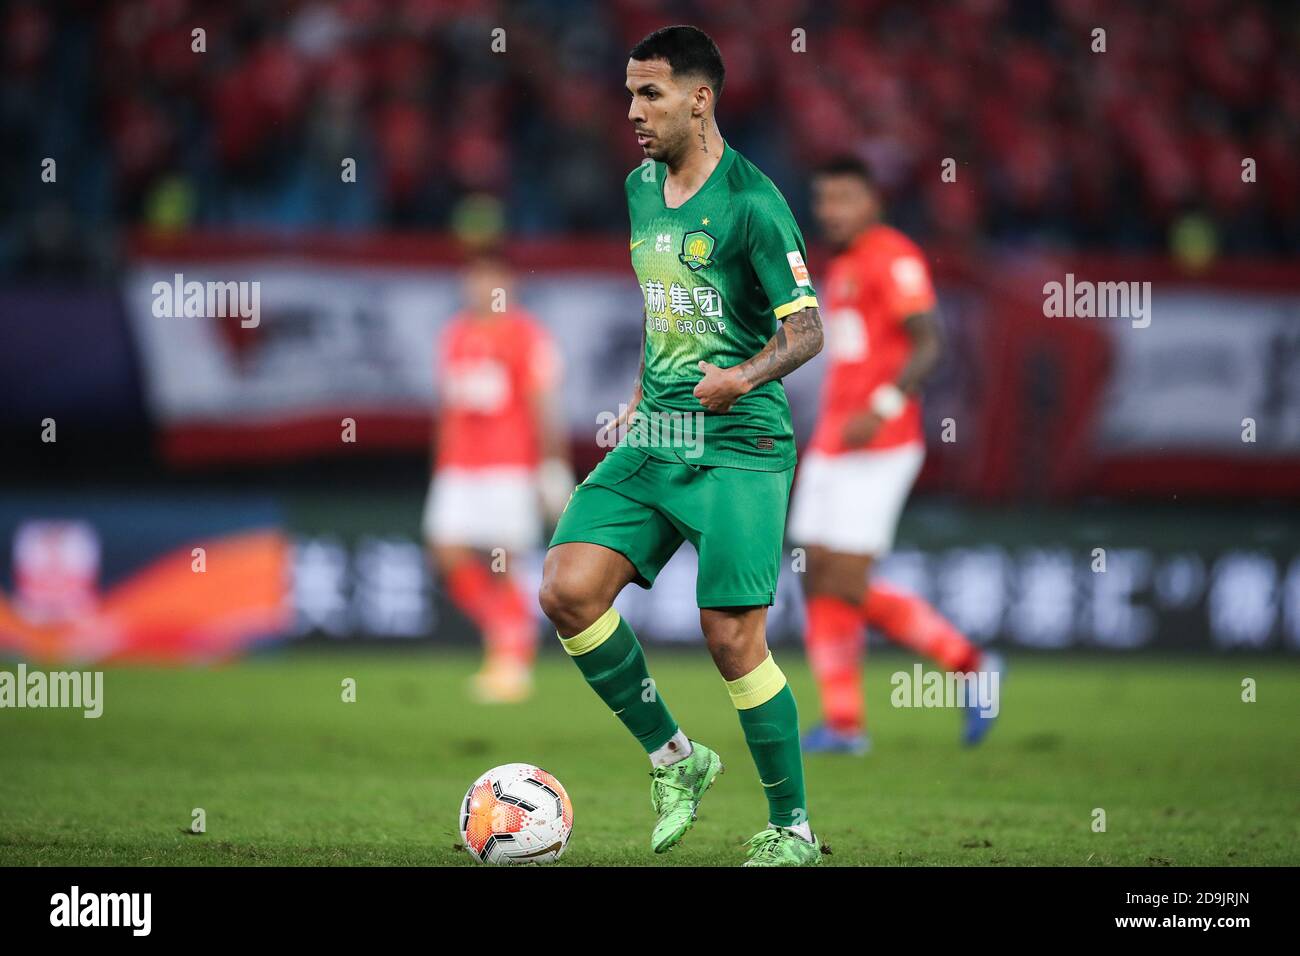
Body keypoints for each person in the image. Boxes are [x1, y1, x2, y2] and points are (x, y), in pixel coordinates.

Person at [539, 25, 826, 866]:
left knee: (732, 637)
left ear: (701, 99)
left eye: (650, 93)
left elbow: (806, 331)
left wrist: (741, 376)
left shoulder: (754, 204)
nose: (632, 111)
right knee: (566, 588)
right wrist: (641, 394)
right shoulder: (638, 189)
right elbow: (665, 311)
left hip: (739, 440)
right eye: (629, 93)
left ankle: (795, 831)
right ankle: (676, 758)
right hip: (659, 431)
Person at [790, 156, 1003, 753]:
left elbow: (930, 342)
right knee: (816, 576)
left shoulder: (893, 255)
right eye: (825, 200)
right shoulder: (842, 266)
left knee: (846, 577)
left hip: (880, 443)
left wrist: (881, 406)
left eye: (844, 199)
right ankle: (844, 723)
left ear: (873, 202)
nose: (832, 211)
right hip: (835, 441)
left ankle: (969, 663)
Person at [424, 253, 573, 703]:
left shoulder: (527, 336)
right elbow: (447, 408)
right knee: (446, 551)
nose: (480, 288)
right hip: (459, 466)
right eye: (473, 280)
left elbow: (543, 405)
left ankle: (511, 659)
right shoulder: (455, 335)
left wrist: (552, 465)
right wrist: (438, 461)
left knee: (502, 561)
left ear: (506, 284)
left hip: (510, 465)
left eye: (489, 279)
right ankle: (506, 629)